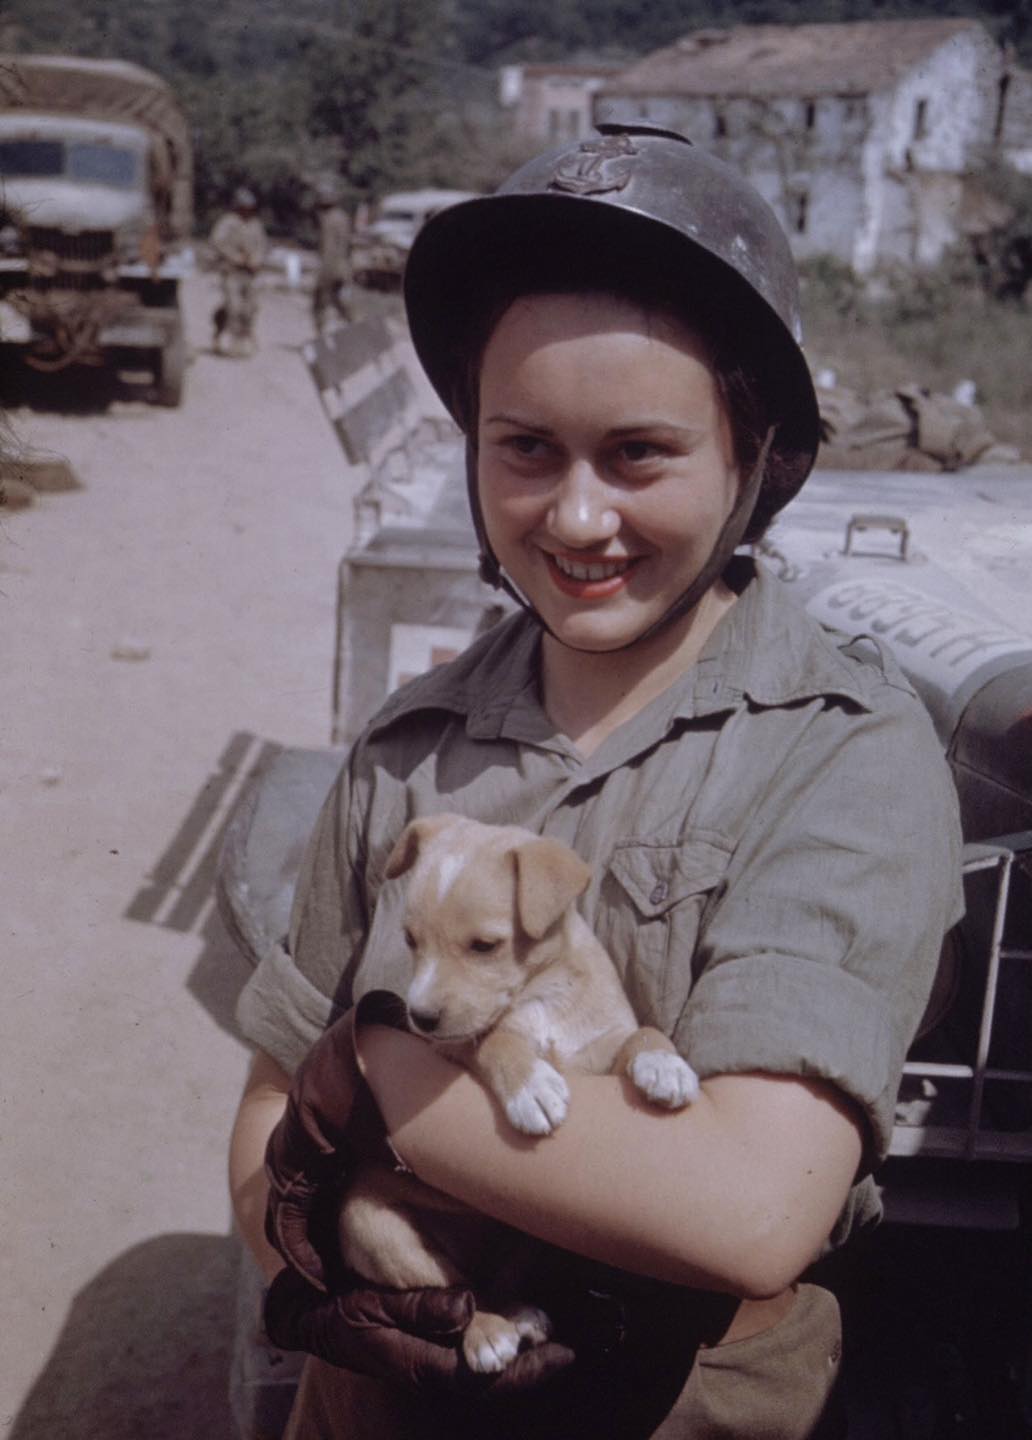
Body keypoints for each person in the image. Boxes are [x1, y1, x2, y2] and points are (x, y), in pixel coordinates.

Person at [228, 123, 963, 1438]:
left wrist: (386, 1059)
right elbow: (270, 1118)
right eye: (524, 448)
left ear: (756, 461)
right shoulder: (412, 744)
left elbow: (744, 1209)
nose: (575, 517)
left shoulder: (841, 752)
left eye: (638, 455)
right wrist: (307, 1259)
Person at [210, 186, 267, 356]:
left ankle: (244, 338)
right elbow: (217, 242)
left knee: (250, 308)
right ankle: (228, 339)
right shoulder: (228, 222)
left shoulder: (256, 224)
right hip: (232, 271)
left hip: (250, 273)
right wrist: (234, 257)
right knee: (233, 306)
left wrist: (256, 260)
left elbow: (262, 246)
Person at [311, 181, 354, 330]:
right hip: (343, 266)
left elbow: (329, 249)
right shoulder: (342, 217)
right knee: (340, 301)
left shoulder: (328, 219)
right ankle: (352, 327)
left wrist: (324, 273)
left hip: (331, 267)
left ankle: (320, 334)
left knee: (320, 302)